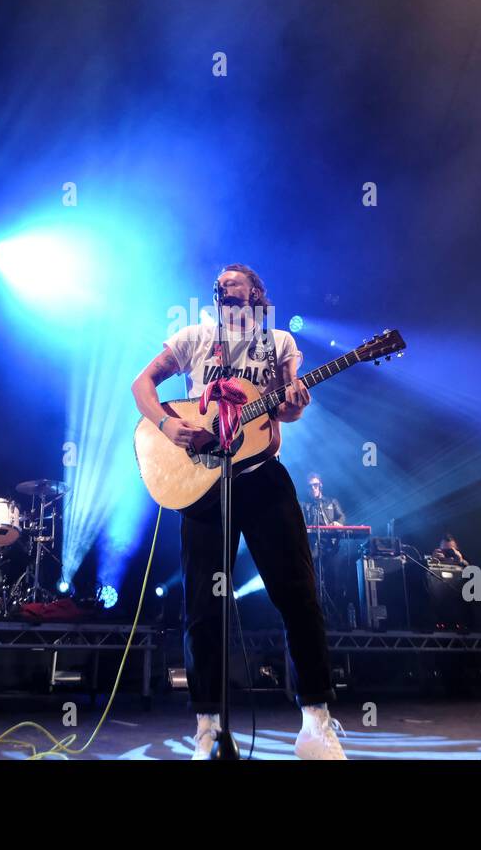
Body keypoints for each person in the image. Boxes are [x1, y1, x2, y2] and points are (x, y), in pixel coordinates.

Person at [131, 263, 345, 759]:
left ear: (255, 291)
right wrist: (166, 424)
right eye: (221, 282)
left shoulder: (280, 345)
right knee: (204, 607)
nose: (226, 286)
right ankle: (208, 727)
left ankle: (315, 723)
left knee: (298, 595)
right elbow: (143, 384)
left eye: (236, 280)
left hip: (262, 478)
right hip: (204, 485)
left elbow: (289, 408)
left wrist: (293, 402)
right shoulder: (194, 337)